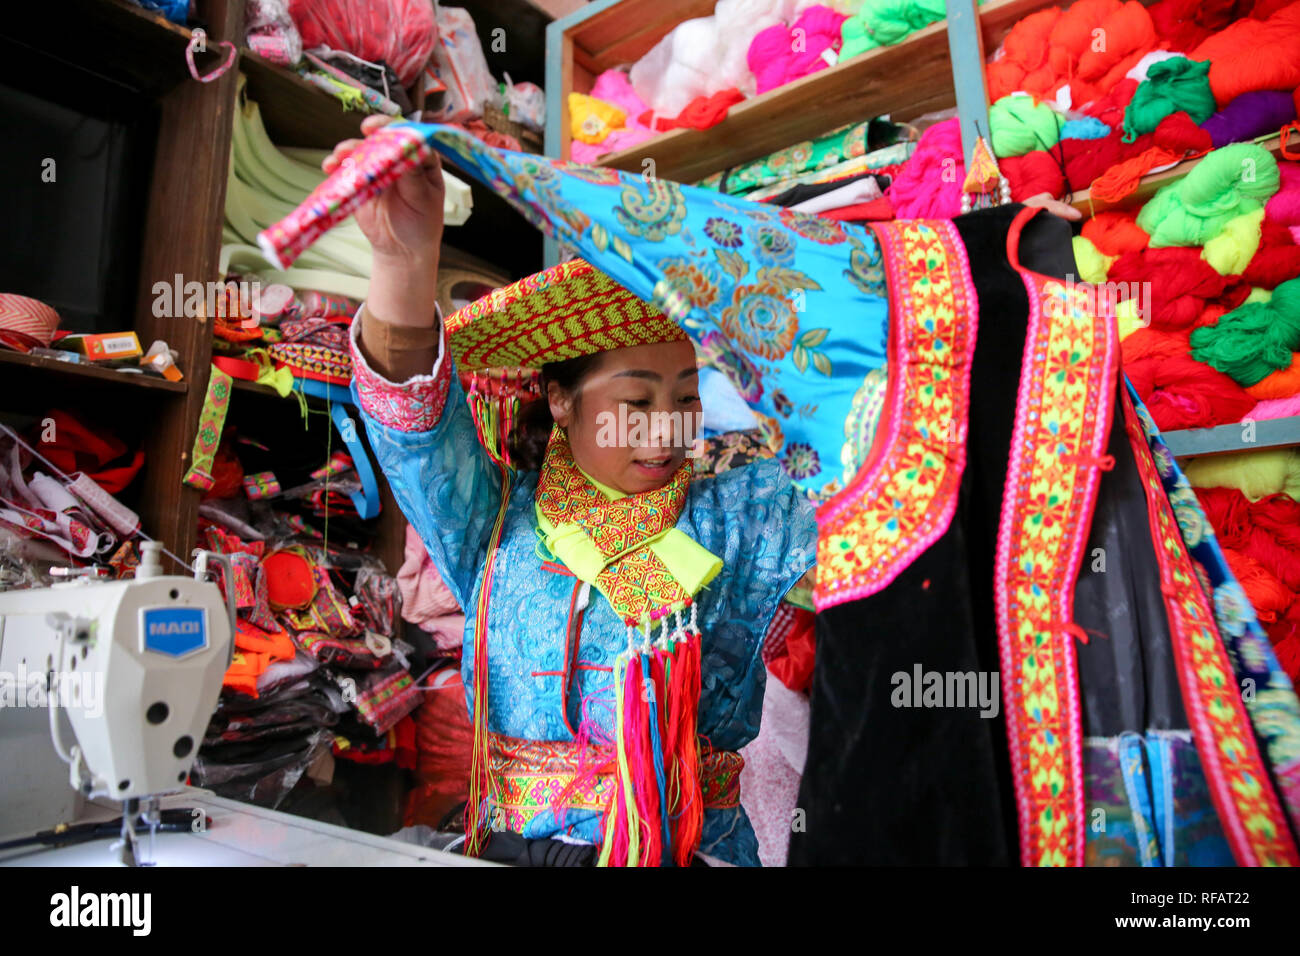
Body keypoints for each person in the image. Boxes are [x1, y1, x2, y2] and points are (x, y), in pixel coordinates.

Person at [329, 115, 817, 866]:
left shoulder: (745, 519)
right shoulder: (493, 523)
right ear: (562, 399)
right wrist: (404, 256)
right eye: (638, 401)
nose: (667, 432)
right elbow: (412, 425)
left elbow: (873, 467)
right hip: (510, 849)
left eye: (686, 399)